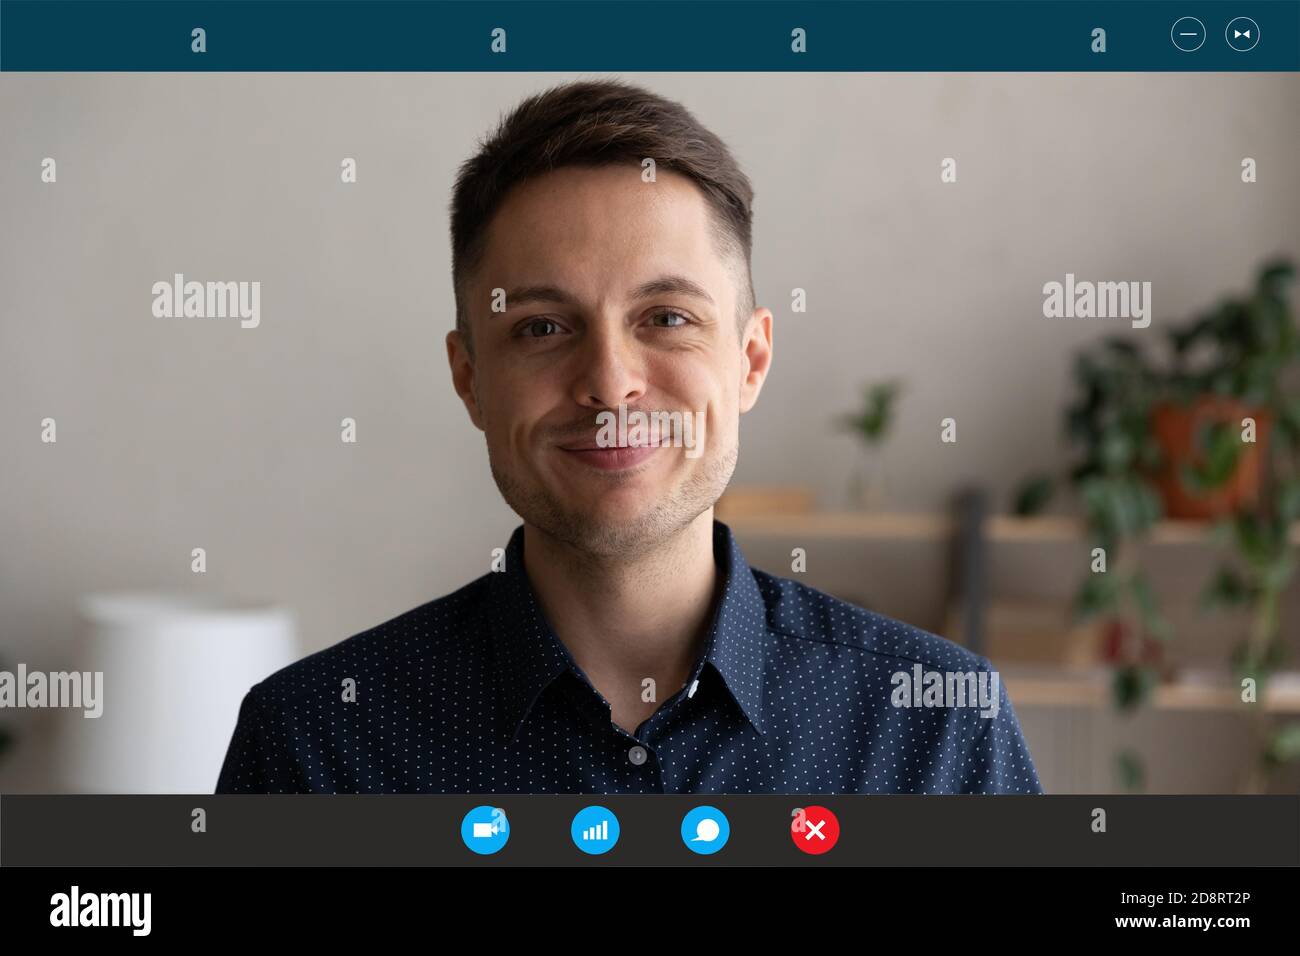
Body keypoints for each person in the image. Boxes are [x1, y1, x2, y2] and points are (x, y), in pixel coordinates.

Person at [216, 79, 1042, 794]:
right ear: (469, 377)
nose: (610, 383)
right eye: (543, 327)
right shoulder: (310, 744)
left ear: (750, 360)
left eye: (667, 318)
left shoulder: (938, 728)